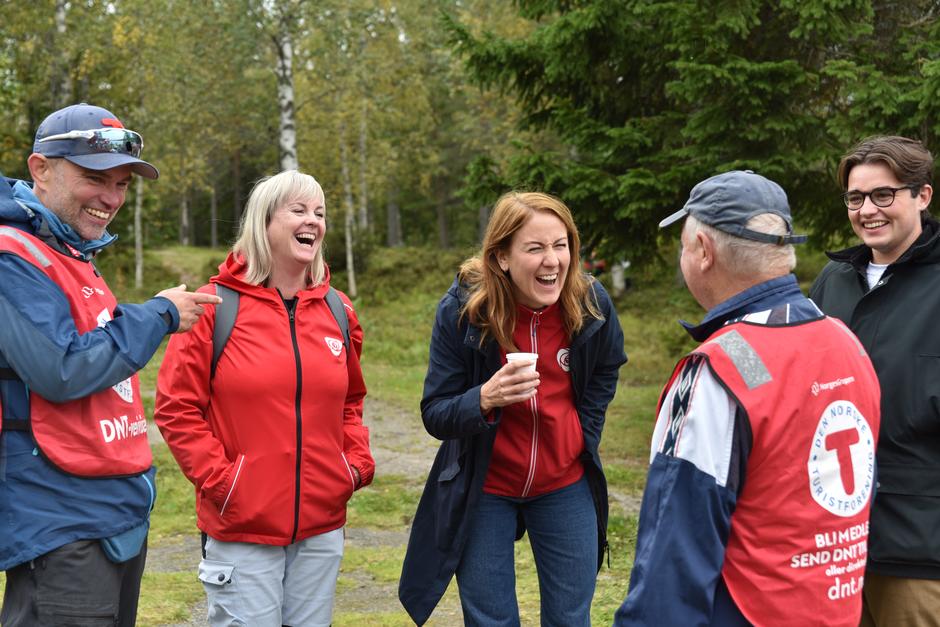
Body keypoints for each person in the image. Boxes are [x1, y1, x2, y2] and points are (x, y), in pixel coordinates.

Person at [615, 171, 882, 625]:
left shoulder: (716, 372)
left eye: (682, 244)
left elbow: (673, 557)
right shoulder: (845, 341)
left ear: (704, 251)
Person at [0, 103, 220, 626]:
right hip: (59, 524)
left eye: (122, 183)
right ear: (41, 168)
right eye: (95, 177)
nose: (112, 198)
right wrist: (158, 315)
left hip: (106, 519)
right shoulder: (13, 258)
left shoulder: (69, 255)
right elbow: (63, 370)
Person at [154, 169, 374, 627]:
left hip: (321, 527)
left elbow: (350, 400)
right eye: (298, 210)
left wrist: (352, 465)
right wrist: (224, 483)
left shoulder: (339, 311)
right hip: (242, 527)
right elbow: (176, 409)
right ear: (264, 222)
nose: (312, 220)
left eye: (320, 213)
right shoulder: (215, 307)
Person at [398, 191, 627, 626]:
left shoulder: (591, 303)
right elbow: (436, 411)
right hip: (486, 488)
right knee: (491, 620)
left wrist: (583, 430)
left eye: (561, 245)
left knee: (570, 618)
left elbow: (607, 368)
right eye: (535, 248)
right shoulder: (464, 312)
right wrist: (484, 398)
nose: (552, 261)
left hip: (565, 481)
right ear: (502, 256)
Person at [809, 136, 940, 625]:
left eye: (883, 195)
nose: (867, 210)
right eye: (855, 197)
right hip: (834, 541)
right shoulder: (832, 281)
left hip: (919, 550)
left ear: (921, 196)